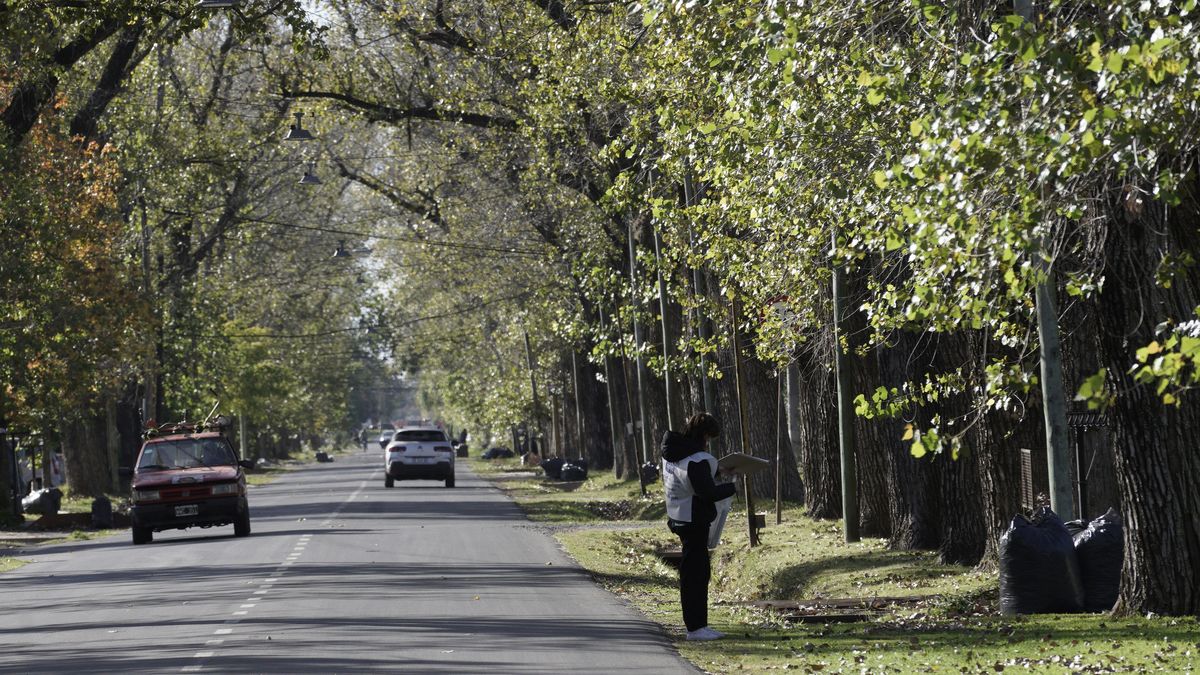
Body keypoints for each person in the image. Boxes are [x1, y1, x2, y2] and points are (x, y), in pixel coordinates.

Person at [661, 412, 737, 641]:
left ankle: (699, 625)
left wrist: (714, 471)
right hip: (694, 520)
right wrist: (731, 487)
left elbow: (689, 477)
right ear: (705, 435)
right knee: (696, 575)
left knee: (694, 572)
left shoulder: (675, 452)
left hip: (678, 516)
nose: (709, 442)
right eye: (710, 438)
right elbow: (707, 491)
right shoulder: (697, 459)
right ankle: (695, 628)